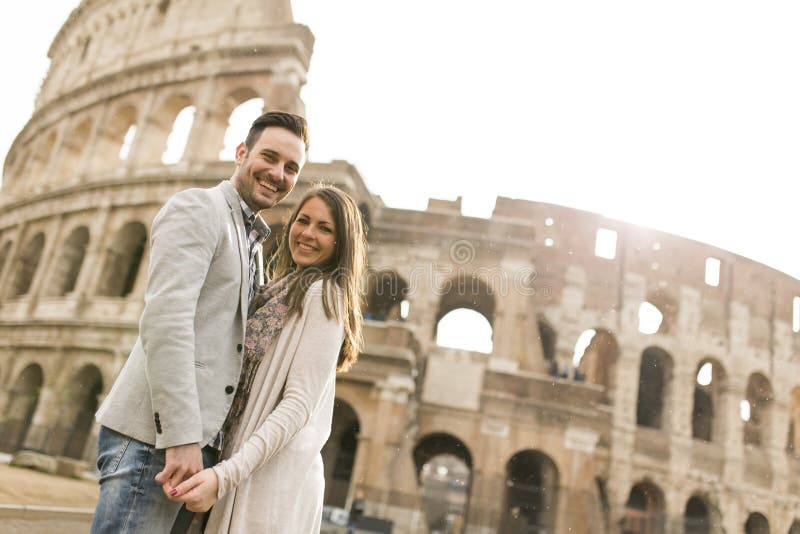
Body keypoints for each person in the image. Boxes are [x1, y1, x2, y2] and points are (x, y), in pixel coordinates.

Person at [89, 111, 309, 534]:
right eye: (269, 156)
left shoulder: (253, 243)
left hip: (189, 449)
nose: (278, 173)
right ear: (241, 152)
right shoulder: (199, 207)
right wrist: (182, 436)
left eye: (291, 167)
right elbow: (166, 321)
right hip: (155, 444)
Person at [168, 185, 367, 533]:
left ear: (342, 242)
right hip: (250, 471)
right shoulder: (281, 290)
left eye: (325, 228)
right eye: (303, 221)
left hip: (270, 485)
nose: (307, 233)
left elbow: (297, 406)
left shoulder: (324, 293)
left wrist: (225, 476)